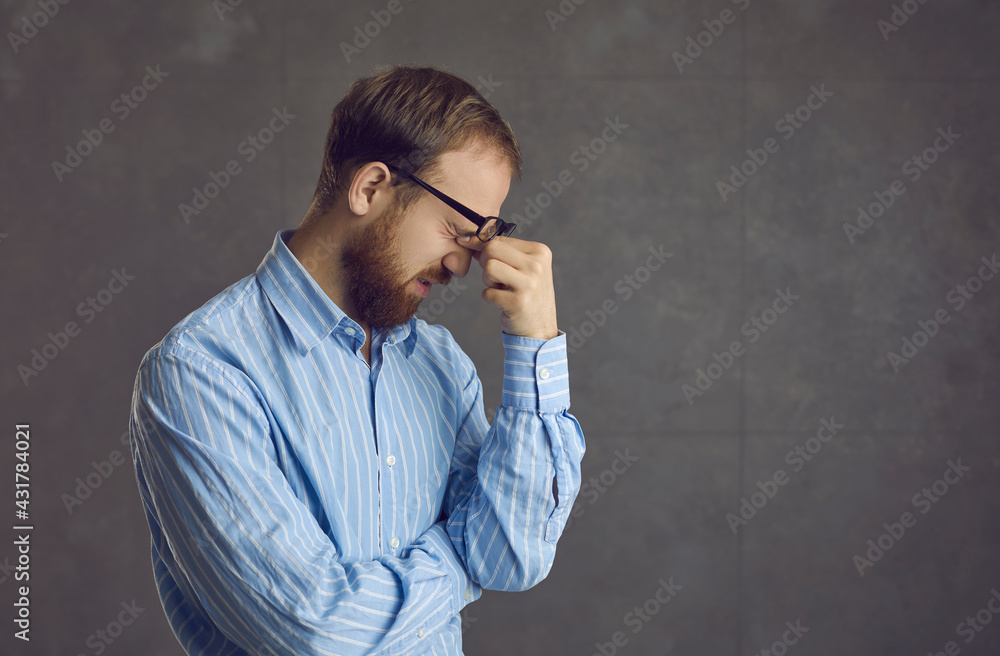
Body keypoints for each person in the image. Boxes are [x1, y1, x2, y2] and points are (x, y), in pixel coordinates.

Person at [128, 65, 586, 656]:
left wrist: (535, 345)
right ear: (370, 188)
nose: (462, 266)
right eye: (457, 229)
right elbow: (321, 632)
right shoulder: (201, 373)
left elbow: (514, 553)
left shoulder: (441, 364)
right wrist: (457, 554)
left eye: (480, 239)